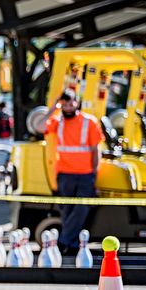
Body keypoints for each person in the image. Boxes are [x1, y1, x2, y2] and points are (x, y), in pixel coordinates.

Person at [44, 90, 104, 255]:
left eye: (71, 104)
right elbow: (40, 125)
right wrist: (53, 107)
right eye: (64, 104)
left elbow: (95, 150)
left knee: (82, 207)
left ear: (77, 103)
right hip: (64, 173)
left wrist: (94, 173)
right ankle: (71, 245)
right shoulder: (58, 121)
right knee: (67, 210)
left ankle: (63, 240)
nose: (68, 107)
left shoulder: (89, 122)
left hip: (85, 174)